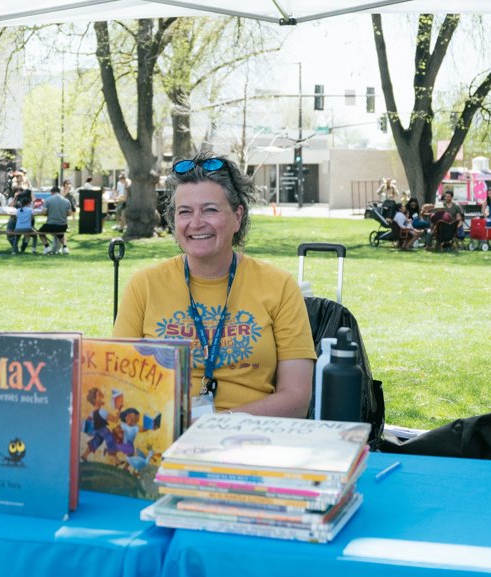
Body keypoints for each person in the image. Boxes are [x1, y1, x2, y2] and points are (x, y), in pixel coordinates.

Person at [112, 153, 315, 417]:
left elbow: (297, 399)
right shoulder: (144, 286)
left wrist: (220, 425)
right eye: (185, 212)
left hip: (252, 441)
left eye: (210, 209)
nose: (196, 223)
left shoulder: (279, 286)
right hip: (165, 438)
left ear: (237, 216)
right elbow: (117, 383)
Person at [40, 186, 72, 254]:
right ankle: (65, 247)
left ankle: (47, 247)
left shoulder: (48, 200)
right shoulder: (66, 201)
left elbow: (44, 212)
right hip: (63, 225)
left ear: (52, 192)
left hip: (51, 225)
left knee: (40, 232)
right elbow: (69, 214)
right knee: (60, 233)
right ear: (59, 192)